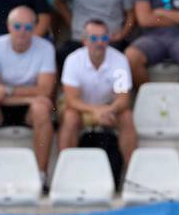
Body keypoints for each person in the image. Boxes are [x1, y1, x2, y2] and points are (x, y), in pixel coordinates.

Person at [0, 6, 57, 187]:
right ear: (9, 26)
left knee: (42, 109)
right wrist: (29, 96)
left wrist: (7, 91)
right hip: (2, 109)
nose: (22, 32)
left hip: (28, 110)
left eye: (28, 27)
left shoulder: (45, 48)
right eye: (18, 26)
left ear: (34, 28)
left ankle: (41, 176)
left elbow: (45, 90)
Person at [58, 18, 137, 167]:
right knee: (70, 117)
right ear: (84, 41)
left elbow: (123, 98)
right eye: (94, 38)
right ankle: (65, 170)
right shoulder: (73, 60)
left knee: (126, 117)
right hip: (81, 109)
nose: (100, 42)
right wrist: (96, 111)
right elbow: (71, 100)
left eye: (104, 37)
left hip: (109, 109)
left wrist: (108, 110)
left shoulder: (120, 60)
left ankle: (131, 173)